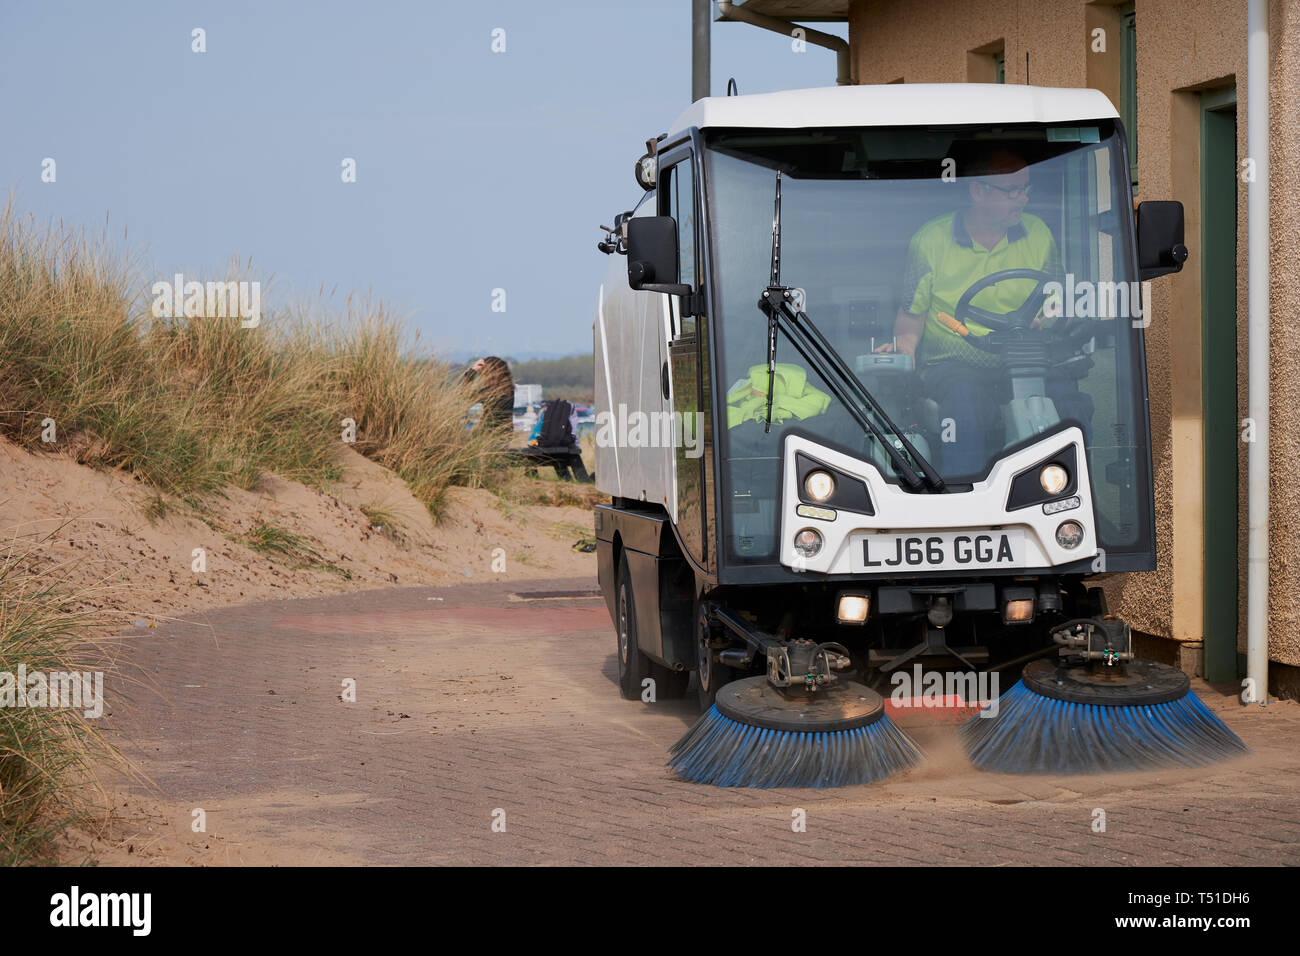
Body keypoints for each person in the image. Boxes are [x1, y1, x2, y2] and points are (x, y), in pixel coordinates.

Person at [875, 148, 1086, 475]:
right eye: (1012, 191)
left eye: (1025, 189)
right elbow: (911, 317)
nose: (1022, 199)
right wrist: (902, 349)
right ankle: (963, 497)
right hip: (955, 364)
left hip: (1025, 359)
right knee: (965, 407)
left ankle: (1059, 498)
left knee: (1070, 405)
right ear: (978, 191)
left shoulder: (1038, 233)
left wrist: (1055, 315)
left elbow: (1058, 299)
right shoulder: (930, 241)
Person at [464, 356, 514, 432]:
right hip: (505, 433)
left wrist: (472, 371)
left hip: (489, 433)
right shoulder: (509, 390)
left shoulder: (490, 393)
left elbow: (465, 394)